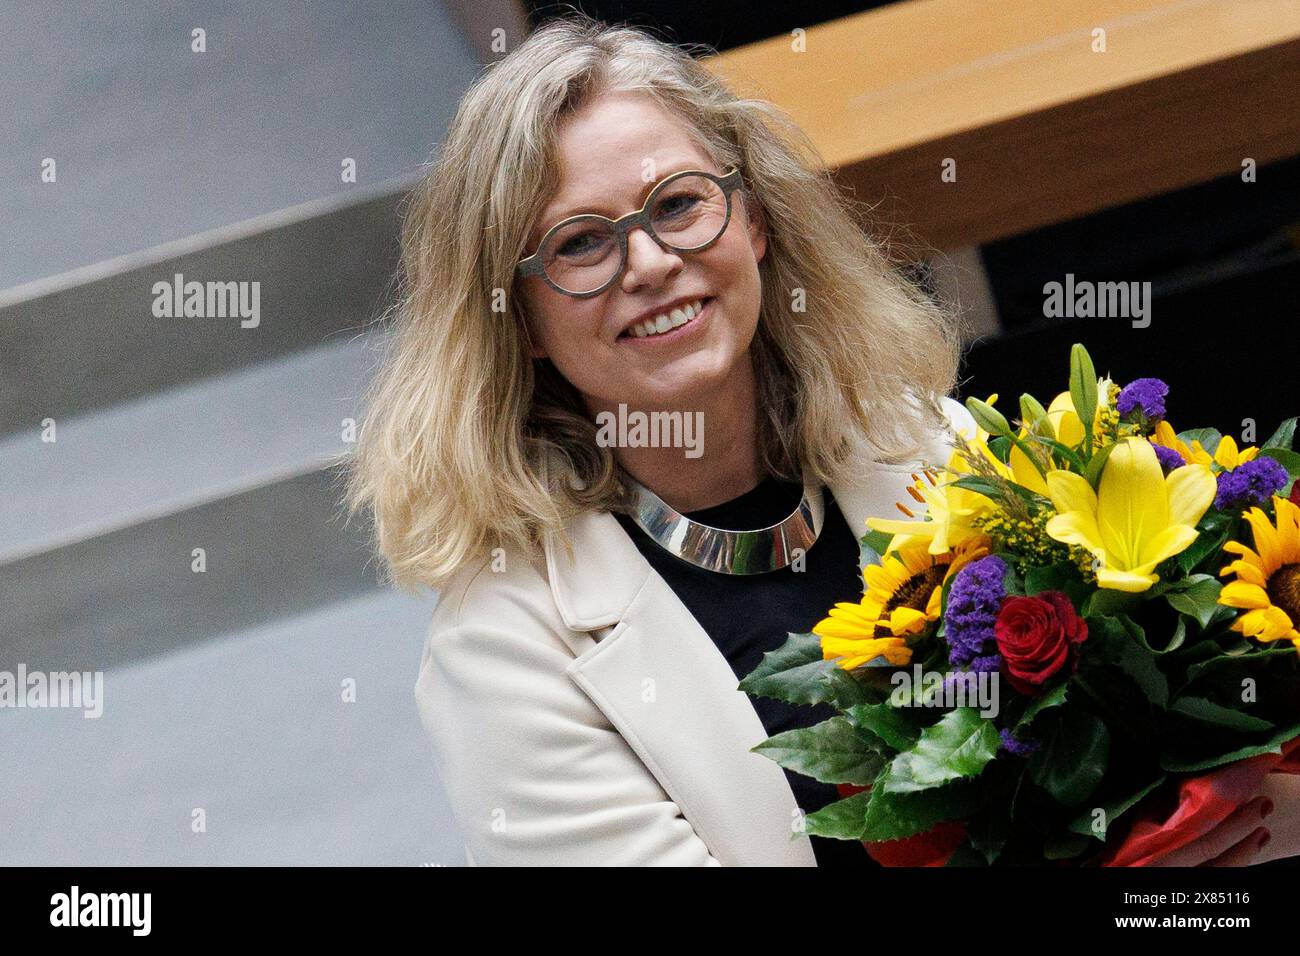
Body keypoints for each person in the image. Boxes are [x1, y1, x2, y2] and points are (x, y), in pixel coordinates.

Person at [343, 13, 1296, 866]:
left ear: (752, 219)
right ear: (518, 316)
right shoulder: (504, 658)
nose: (650, 262)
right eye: (580, 245)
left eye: (677, 204)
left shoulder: (931, 442)